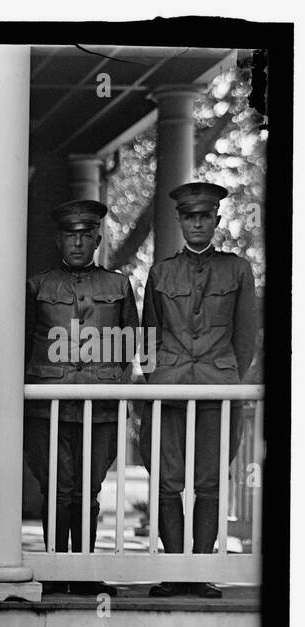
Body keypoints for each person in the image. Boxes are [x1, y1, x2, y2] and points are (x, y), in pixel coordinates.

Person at [143, 182, 257, 598]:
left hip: (217, 387)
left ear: (216, 220)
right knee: (167, 480)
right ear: (179, 220)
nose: (197, 224)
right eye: (189, 217)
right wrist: (157, 377)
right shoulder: (161, 272)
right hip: (168, 386)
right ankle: (175, 572)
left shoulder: (237, 269)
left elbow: (245, 336)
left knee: (210, 481)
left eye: (204, 217)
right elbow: (149, 336)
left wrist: (226, 374)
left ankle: (201, 573)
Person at [25, 200, 139, 593]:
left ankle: (85, 572)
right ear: (59, 240)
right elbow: (24, 345)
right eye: (70, 235)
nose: (77, 242)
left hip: (100, 404)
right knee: (56, 489)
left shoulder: (118, 286)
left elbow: (131, 346)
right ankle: (56, 572)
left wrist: (112, 383)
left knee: (88, 489)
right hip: (47, 405)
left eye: (85, 235)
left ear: (97, 239)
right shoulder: (38, 286)